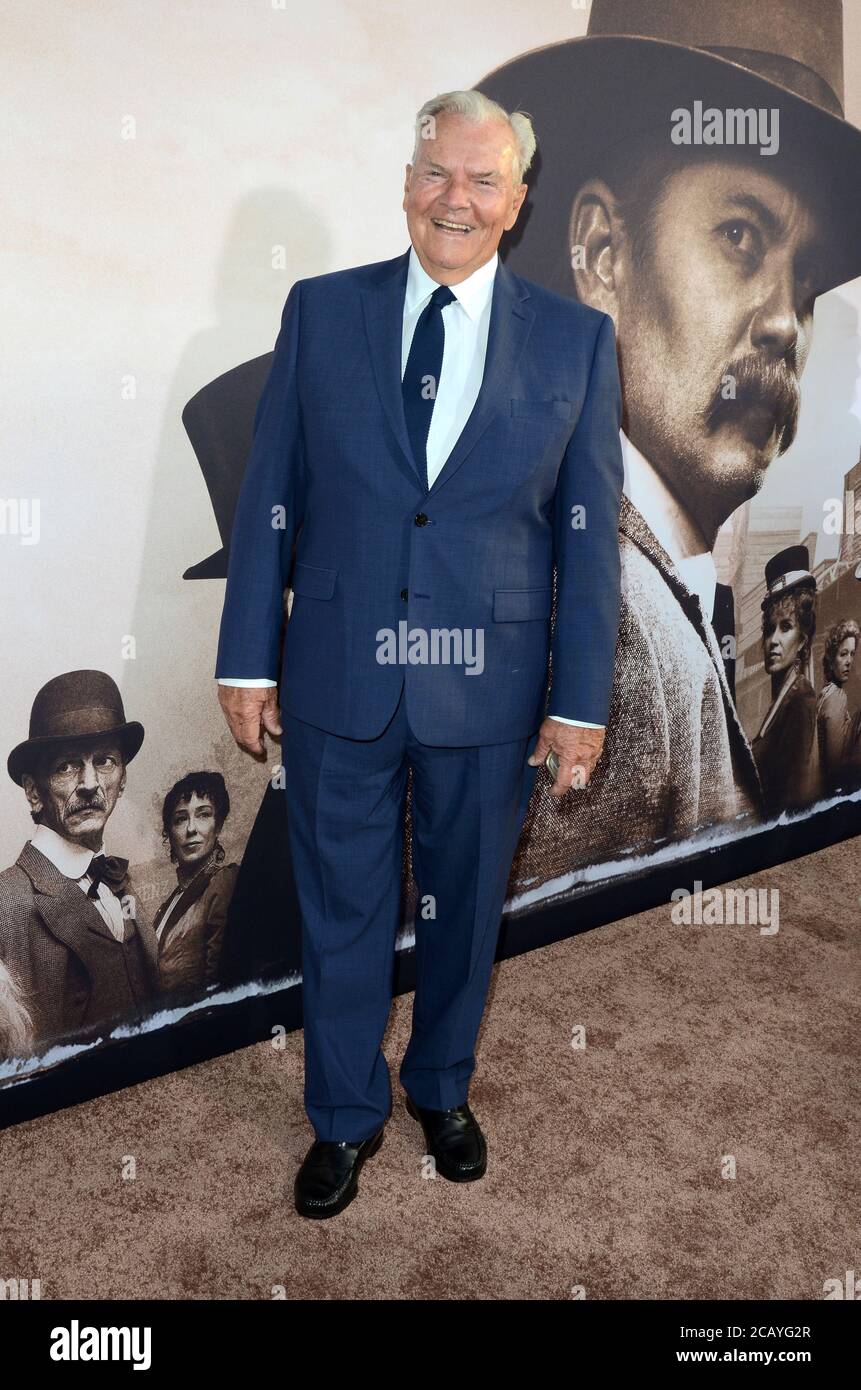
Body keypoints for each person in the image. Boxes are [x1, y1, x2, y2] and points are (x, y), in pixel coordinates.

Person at [215, 89, 625, 1217]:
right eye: (437, 172)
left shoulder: (579, 342)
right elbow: (271, 500)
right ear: (406, 186)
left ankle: (440, 1086)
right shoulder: (322, 313)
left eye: (483, 179)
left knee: (463, 906)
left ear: (518, 202)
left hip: (491, 691)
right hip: (338, 673)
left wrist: (579, 702)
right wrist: (248, 657)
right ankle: (342, 1117)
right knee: (339, 910)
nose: (457, 196)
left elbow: (586, 543)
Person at [478, 0, 861, 891]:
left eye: (804, 286)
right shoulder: (600, 616)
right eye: (740, 236)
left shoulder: (620, 579)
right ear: (603, 252)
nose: (783, 326)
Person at [0, 670, 159, 1054]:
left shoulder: (118, 881)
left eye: (104, 761)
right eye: (67, 766)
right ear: (34, 791)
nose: (89, 783)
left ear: (121, 781)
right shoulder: (6, 902)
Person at [153, 772, 239, 996]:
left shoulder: (224, 883)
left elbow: (221, 986)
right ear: (170, 834)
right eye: (180, 818)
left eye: (203, 815)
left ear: (218, 826)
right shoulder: (168, 905)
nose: (191, 829)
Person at [751, 548, 820, 817]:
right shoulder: (782, 698)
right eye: (769, 630)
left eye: (786, 627)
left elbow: (792, 803)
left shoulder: (801, 699)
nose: (773, 641)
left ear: (802, 640)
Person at [816, 618, 859, 794]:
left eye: (852, 654)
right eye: (843, 654)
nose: (849, 661)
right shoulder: (836, 698)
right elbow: (834, 770)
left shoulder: (826, 693)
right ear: (831, 658)